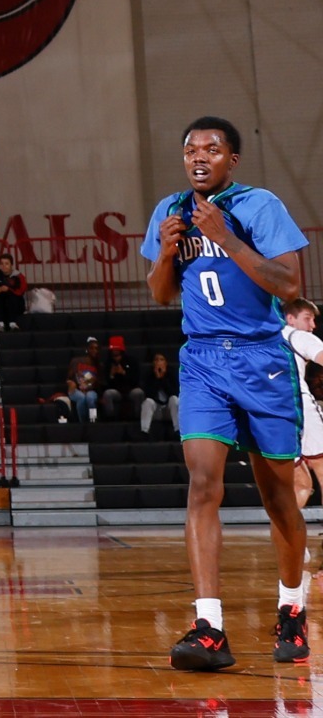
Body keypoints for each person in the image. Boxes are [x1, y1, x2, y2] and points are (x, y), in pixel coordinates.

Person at [143, 115, 309, 670]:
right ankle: (209, 626)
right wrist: (166, 254)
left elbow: (290, 286)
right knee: (202, 483)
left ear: (231, 159)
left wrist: (225, 238)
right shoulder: (169, 210)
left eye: (212, 149)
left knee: (278, 496)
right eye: (191, 148)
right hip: (203, 360)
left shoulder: (259, 206)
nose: (199, 156)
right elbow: (161, 293)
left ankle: (292, 607)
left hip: (261, 359)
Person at [282, 301, 323, 512]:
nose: (313, 325)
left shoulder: (260, 337)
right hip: (300, 407)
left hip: (270, 416)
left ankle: (289, 541)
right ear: (290, 319)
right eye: (308, 318)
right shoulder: (296, 336)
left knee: (300, 485)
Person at [65, 340, 101, 424]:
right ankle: (83, 423)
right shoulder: (76, 361)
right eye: (92, 348)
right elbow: (68, 378)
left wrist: (94, 382)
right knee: (81, 397)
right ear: (87, 349)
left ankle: (93, 420)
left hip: (91, 390)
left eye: (96, 348)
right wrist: (71, 383)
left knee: (90, 398)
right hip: (76, 389)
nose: (94, 351)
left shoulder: (98, 365)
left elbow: (99, 383)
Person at [0, 254, 27, 330]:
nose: (4, 266)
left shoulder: (18, 276)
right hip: (1, 305)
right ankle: (0, 324)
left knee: (11, 297)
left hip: (16, 304)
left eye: (6, 263)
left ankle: (12, 323)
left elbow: (21, 291)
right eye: (2, 264)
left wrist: (9, 289)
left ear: (11, 265)